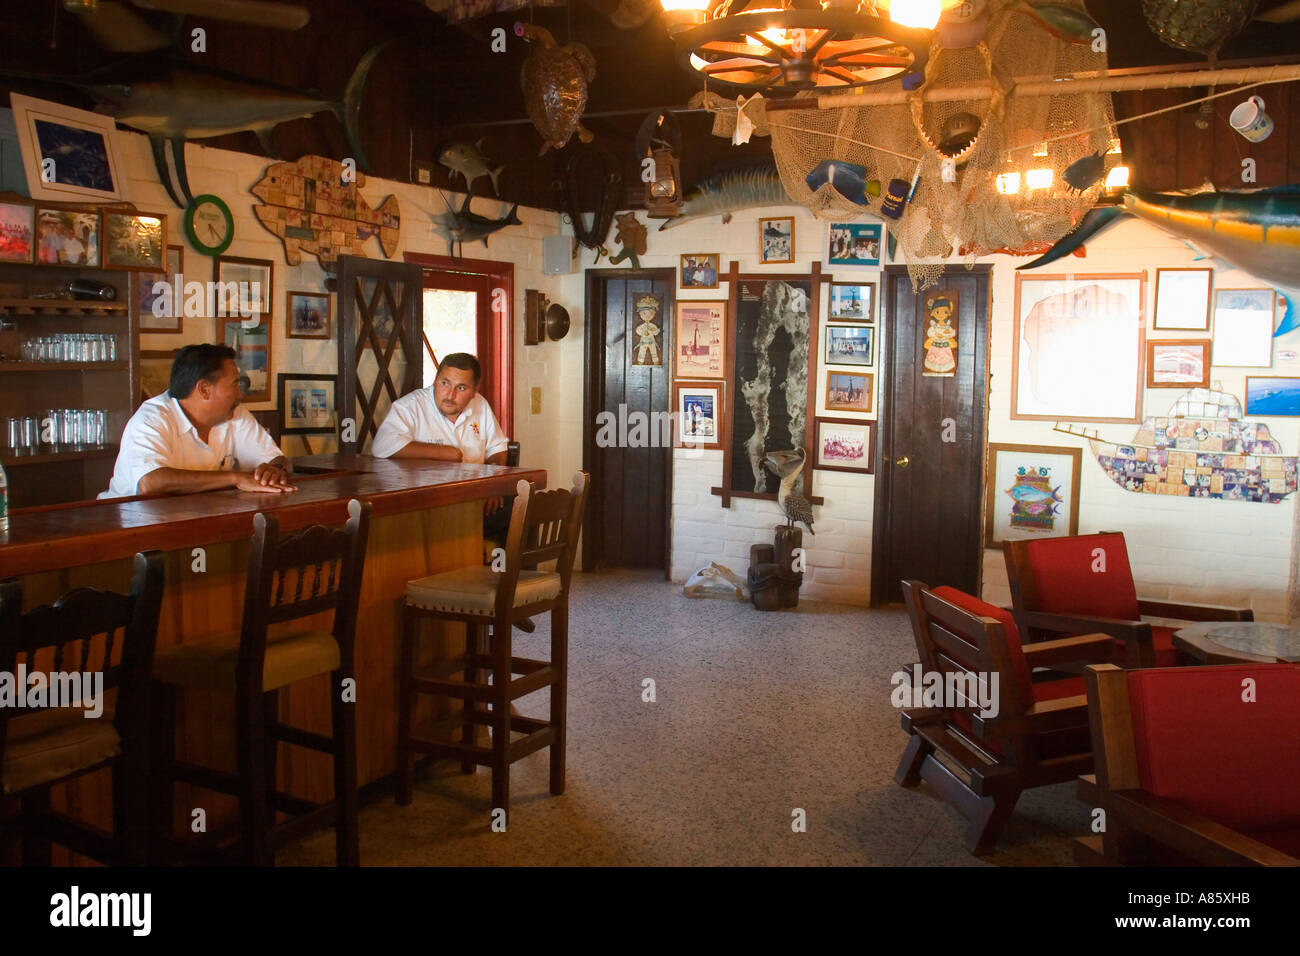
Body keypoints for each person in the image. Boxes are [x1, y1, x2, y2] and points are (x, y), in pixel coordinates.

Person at [101, 344, 294, 498]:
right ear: (204, 389)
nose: (240, 394)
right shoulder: (153, 418)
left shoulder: (234, 413)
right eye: (235, 384)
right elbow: (150, 482)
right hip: (128, 526)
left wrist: (274, 469)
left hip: (191, 518)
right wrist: (235, 478)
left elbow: (277, 459)